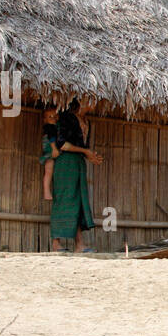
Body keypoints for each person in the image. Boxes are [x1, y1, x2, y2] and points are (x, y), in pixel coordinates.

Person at [51, 98, 102, 253]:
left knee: (78, 200)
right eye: (92, 100)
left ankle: (79, 244)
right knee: (63, 198)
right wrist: (85, 152)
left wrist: (90, 156)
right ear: (82, 100)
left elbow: (83, 146)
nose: (95, 104)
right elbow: (62, 144)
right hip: (65, 162)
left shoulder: (87, 122)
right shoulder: (67, 117)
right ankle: (56, 244)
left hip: (78, 162)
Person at [40, 106, 60, 201]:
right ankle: (46, 192)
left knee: (52, 172)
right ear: (45, 119)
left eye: (55, 116)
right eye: (50, 117)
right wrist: (54, 149)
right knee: (48, 171)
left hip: (53, 152)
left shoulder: (56, 127)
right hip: (50, 152)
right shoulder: (49, 127)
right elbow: (52, 138)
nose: (53, 119)